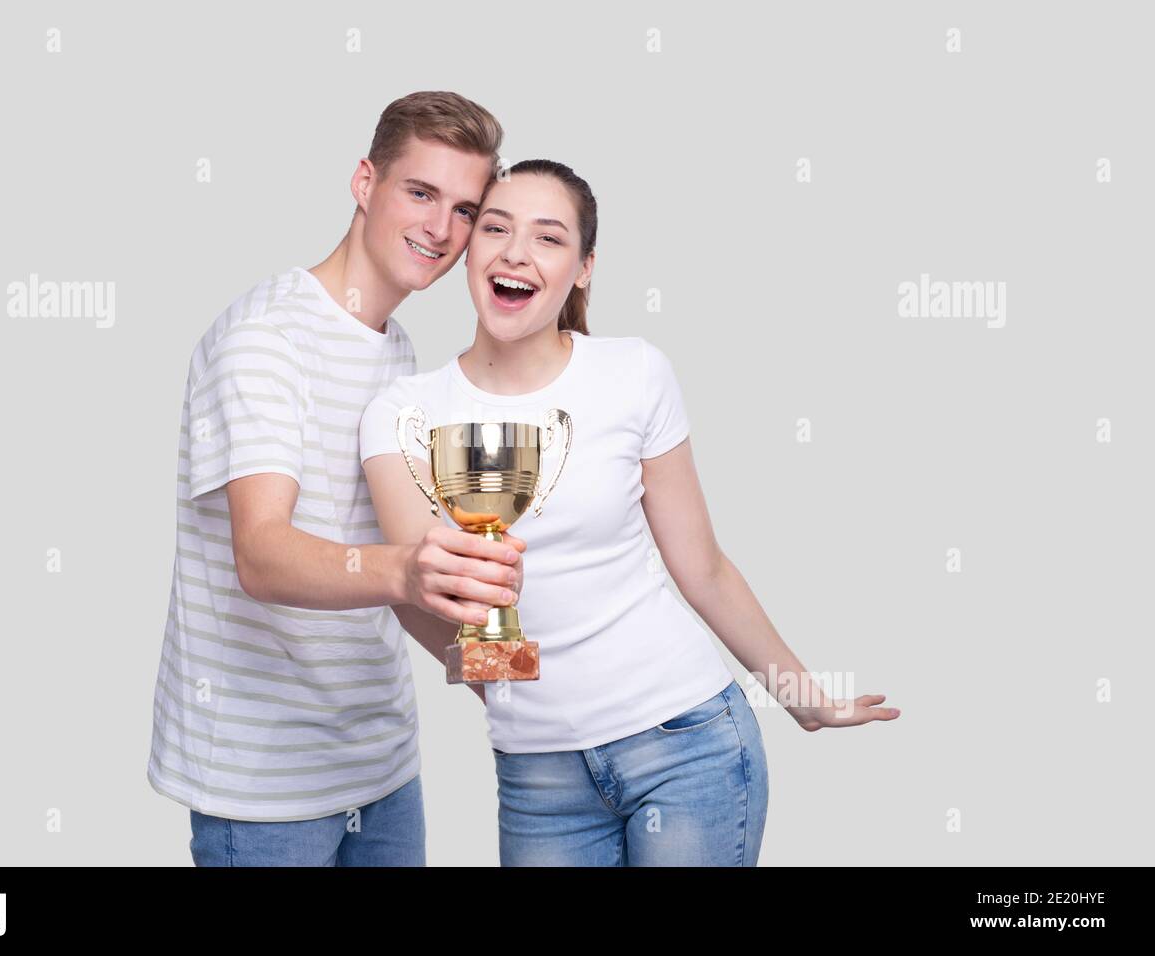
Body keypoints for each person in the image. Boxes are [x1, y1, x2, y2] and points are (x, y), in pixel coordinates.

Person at [360, 159, 902, 866]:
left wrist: (801, 695)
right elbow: (415, 596)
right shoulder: (402, 414)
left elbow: (702, 568)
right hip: (536, 771)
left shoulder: (633, 372)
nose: (516, 251)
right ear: (470, 249)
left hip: (687, 742)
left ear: (584, 269)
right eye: (495, 227)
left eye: (548, 238)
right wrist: (499, 682)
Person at [146, 91, 527, 866]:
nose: (439, 230)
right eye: (420, 193)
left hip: (383, 773)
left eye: (463, 209)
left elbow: (396, 578)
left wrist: (509, 685)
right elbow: (262, 555)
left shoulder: (395, 349)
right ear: (364, 182)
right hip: (264, 792)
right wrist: (410, 567)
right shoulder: (265, 338)